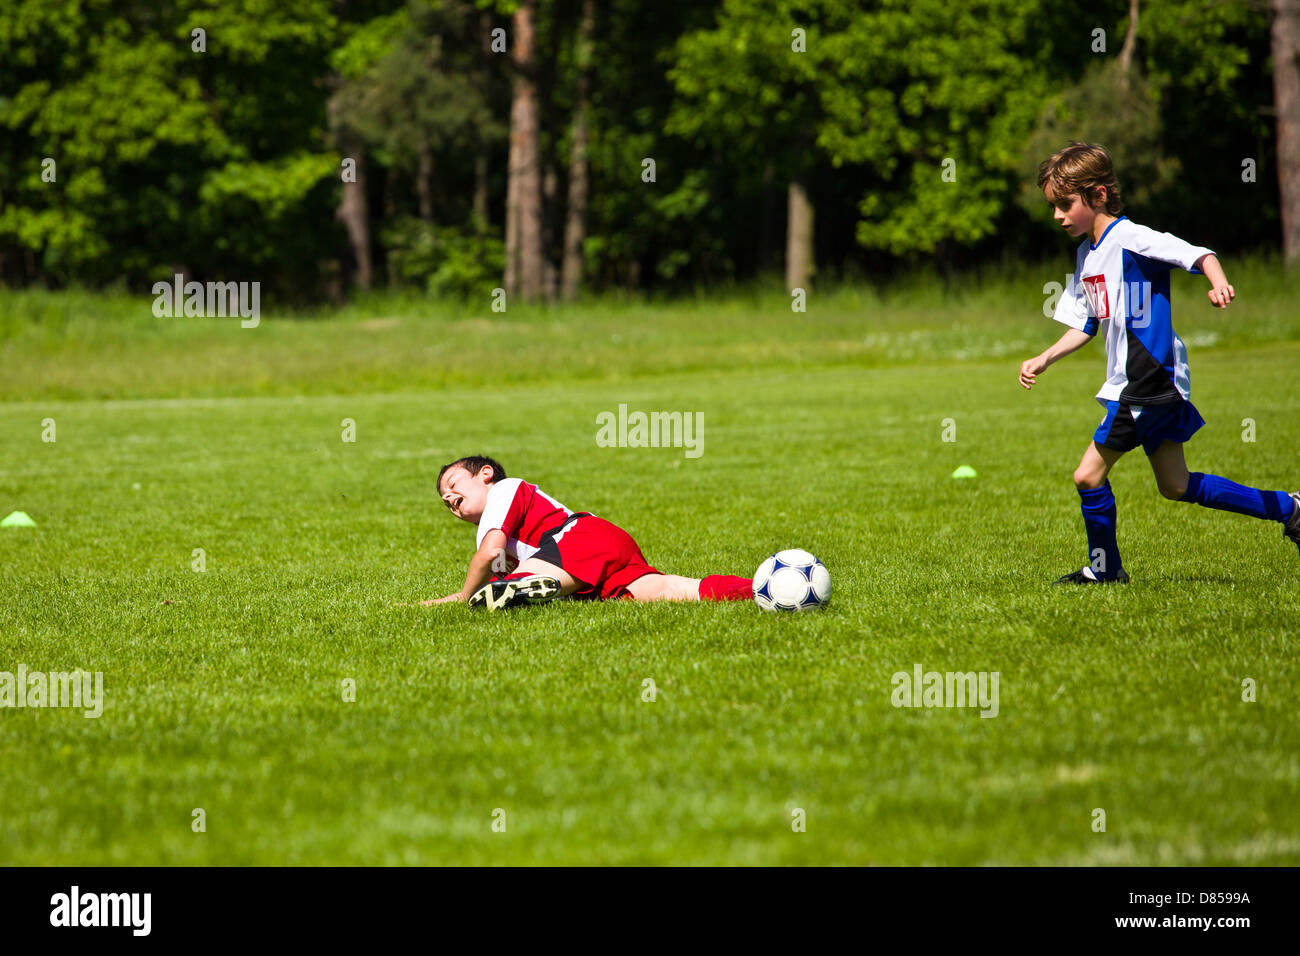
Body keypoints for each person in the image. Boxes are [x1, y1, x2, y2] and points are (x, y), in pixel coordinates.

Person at [1019, 142, 1300, 584]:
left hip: (1144, 383)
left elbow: (1198, 254)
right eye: (1052, 205)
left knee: (1088, 476)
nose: (1057, 215)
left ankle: (1105, 569)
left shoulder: (1132, 238)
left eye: (1064, 204)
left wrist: (1218, 283)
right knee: (1176, 485)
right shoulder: (1086, 255)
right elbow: (1086, 323)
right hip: (1141, 385)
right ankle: (1292, 509)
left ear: (1098, 194)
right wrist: (1045, 357)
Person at [424, 455, 754, 609]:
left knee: (498, 594)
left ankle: (529, 586)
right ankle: (759, 590)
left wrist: (462, 596)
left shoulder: (504, 490)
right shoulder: (489, 526)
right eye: (445, 501)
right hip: (604, 550)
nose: (449, 498)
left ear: (485, 473)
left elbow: (490, 553)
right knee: (670, 588)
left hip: (580, 537)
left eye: (453, 485)